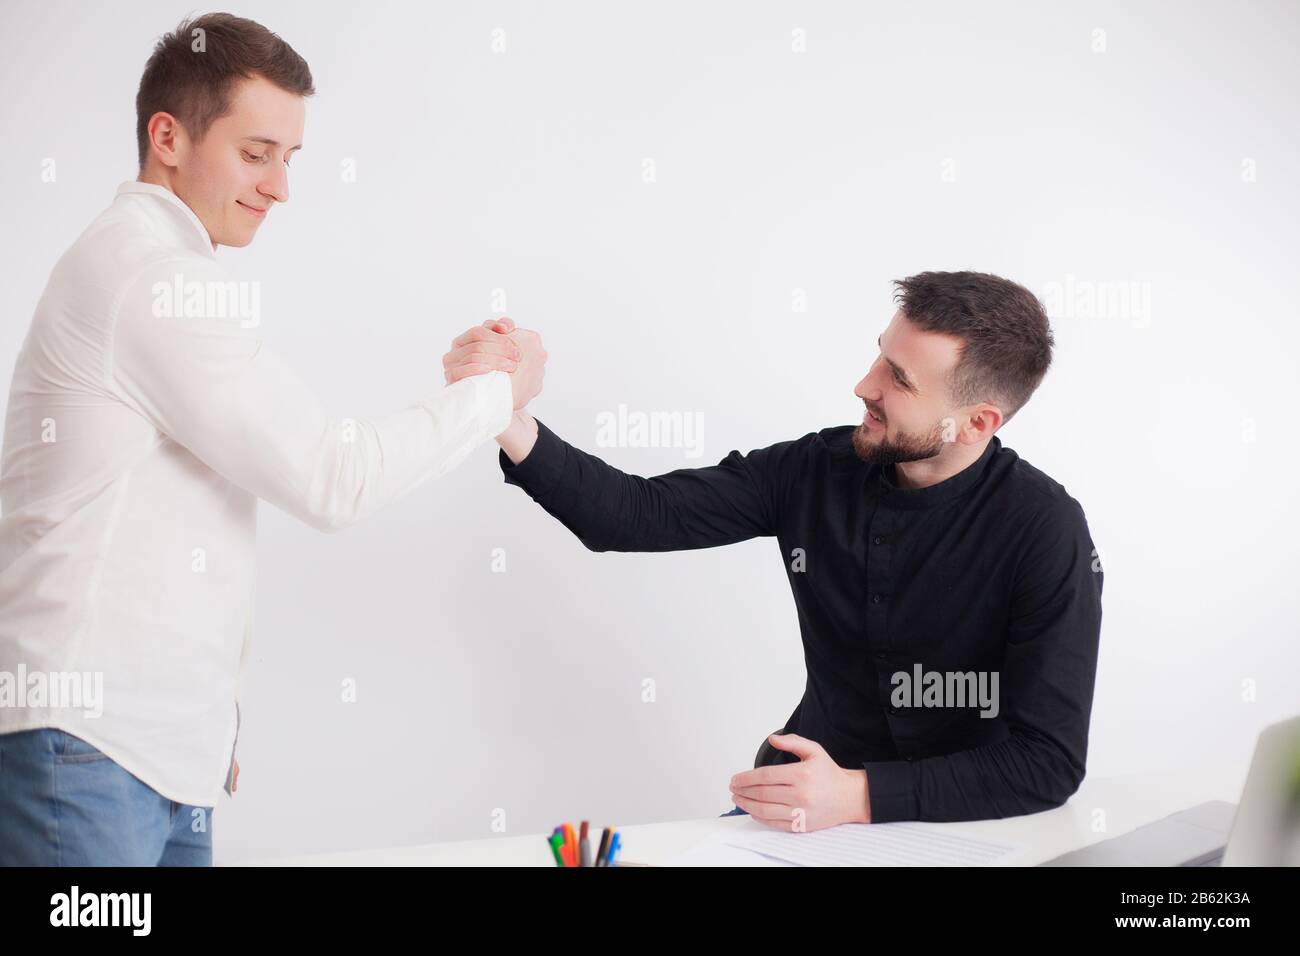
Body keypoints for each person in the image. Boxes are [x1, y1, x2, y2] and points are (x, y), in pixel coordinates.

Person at [0, 12, 543, 865]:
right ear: (168, 137)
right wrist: (495, 393)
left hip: (155, 757)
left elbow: (177, 525)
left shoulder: (155, 272)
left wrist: (202, 723)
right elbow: (332, 476)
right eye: (257, 154)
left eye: (290, 159)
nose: (281, 187)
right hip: (88, 750)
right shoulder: (151, 279)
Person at [450, 272, 1104, 832]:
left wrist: (858, 795)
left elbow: (1046, 761)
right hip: (796, 808)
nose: (862, 385)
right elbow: (632, 515)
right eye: (879, 356)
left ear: (978, 422)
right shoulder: (814, 468)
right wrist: (504, 415)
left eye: (898, 380)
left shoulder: (1045, 529)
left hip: (961, 823)